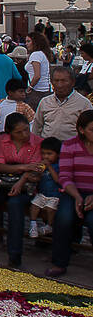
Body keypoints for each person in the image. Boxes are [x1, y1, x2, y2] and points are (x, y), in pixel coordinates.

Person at [0, 114, 43, 269]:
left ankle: (15, 254)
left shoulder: (38, 142)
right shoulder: (2, 140)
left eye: (26, 130)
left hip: (26, 186)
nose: (25, 135)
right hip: (2, 183)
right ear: (9, 132)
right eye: (19, 132)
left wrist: (22, 177)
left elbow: (36, 170)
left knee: (15, 204)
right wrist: (24, 168)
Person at [47, 109, 93, 278]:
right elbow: (65, 176)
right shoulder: (70, 145)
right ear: (81, 130)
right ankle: (59, 263)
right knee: (64, 218)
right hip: (73, 191)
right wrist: (77, 197)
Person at [31, 66, 89, 142]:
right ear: (51, 82)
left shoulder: (84, 104)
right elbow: (37, 127)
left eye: (64, 81)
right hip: (48, 148)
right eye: (56, 81)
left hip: (73, 149)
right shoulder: (45, 102)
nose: (59, 85)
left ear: (73, 82)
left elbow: (88, 131)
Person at [27, 138, 62, 242]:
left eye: (49, 154)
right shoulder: (42, 165)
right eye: (43, 153)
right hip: (42, 193)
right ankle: (33, 224)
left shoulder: (58, 166)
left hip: (55, 195)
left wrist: (50, 167)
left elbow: (57, 180)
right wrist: (37, 172)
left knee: (50, 209)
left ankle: (49, 226)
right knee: (34, 206)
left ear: (58, 154)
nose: (45, 156)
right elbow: (37, 177)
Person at [25, 31, 53, 107]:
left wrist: (30, 87)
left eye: (28, 41)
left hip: (38, 91)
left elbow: (37, 75)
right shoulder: (42, 54)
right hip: (45, 89)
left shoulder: (36, 55)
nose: (26, 44)